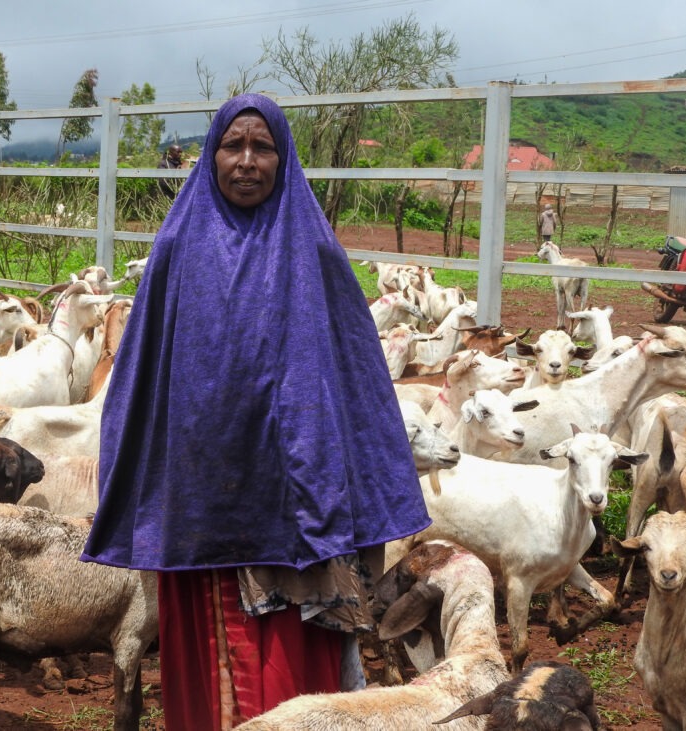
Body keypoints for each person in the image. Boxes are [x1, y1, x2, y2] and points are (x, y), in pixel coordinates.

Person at [81, 94, 429, 730]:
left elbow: (354, 381)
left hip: (296, 503)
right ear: (211, 154)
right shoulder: (180, 248)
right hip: (204, 500)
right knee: (216, 668)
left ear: (284, 156)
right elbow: (144, 377)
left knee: (293, 681)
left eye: (262, 147)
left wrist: (345, 485)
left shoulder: (315, 253)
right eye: (232, 146)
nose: (246, 162)